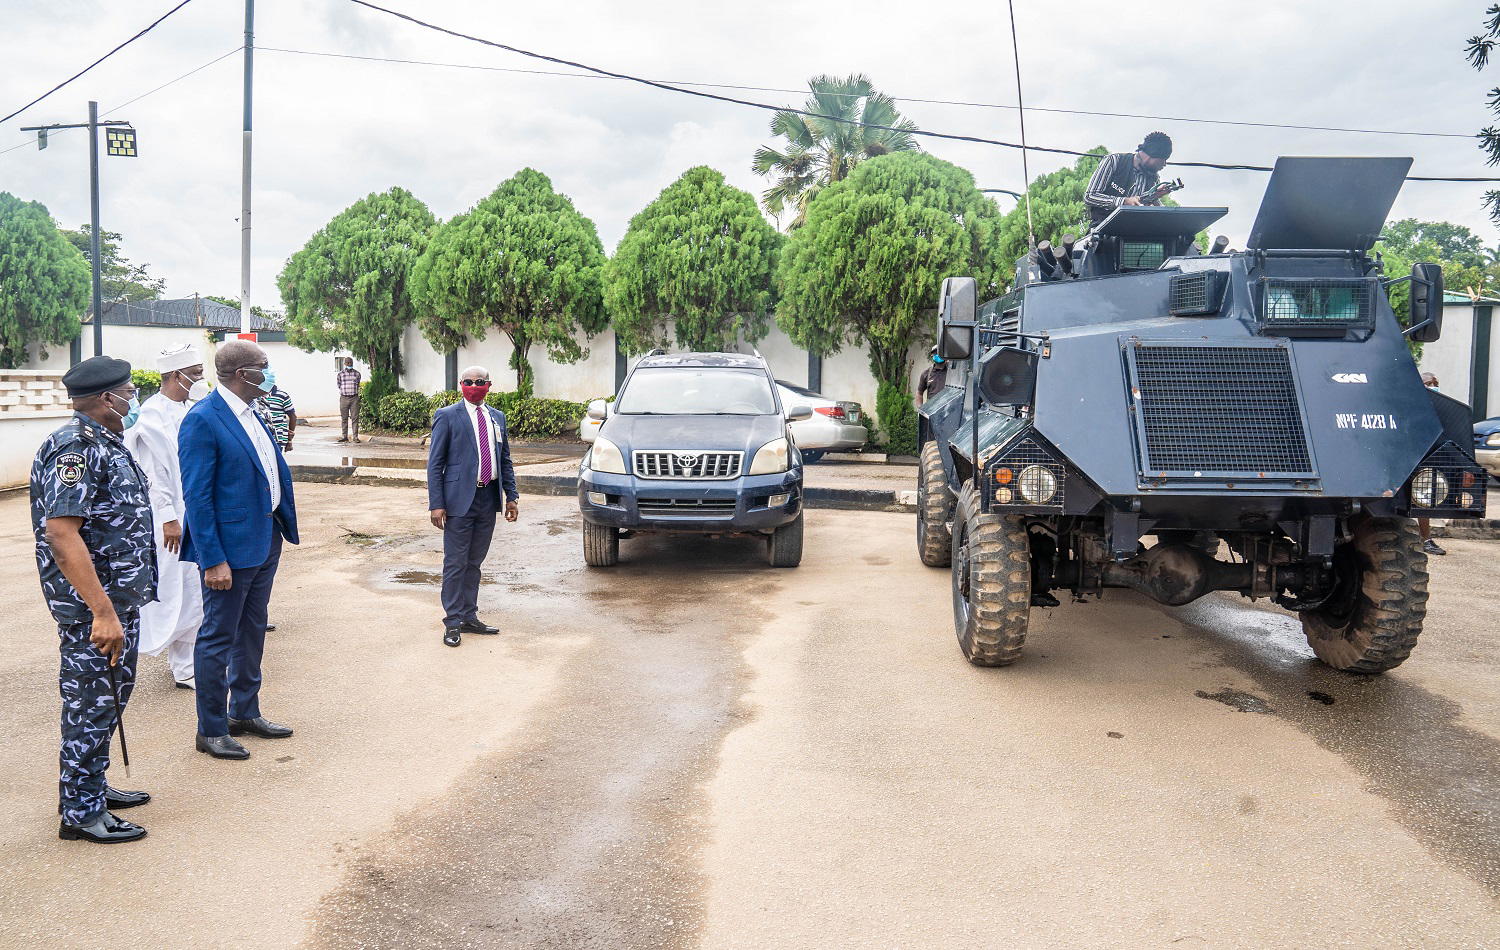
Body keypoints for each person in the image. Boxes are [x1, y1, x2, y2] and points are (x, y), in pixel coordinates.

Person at [30, 355, 157, 843]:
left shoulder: (107, 442)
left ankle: (93, 788)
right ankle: (81, 813)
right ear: (107, 398)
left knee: (110, 699)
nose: (132, 399)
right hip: (93, 608)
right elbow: (63, 535)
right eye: (128, 392)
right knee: (90, 704)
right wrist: (101, 612)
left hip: (117, 602)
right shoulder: (75, 449)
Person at [179, 340, 299, 760]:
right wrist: (212, 559)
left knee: (251, 630)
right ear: (241, 373)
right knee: (217, 636)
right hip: (227, 552)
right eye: (263, 366)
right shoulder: (203, 419)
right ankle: (211, 729)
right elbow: (197, 496)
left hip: (265, 538)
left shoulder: (254, 412)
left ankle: (244, 711)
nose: (269, 373)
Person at [124, 343, 209, 690]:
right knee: (179, 588)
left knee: (198, 589)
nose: (201, 378)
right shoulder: (151, 415)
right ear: (177, 375)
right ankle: (184, 667)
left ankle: (193, 659)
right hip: (172, 520)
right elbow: (152, 474)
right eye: (197, 372)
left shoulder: (192, 408)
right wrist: (168, 518)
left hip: (196, 511)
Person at [426, 366, 519, 648]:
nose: (474, 386)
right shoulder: (447, 416)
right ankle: (452, 622)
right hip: (457, 501)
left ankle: (469, 616)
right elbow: (435, 464)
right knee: (455, 563)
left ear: (489, 385)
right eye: (469, 382)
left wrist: (511, 496)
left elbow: (504, 460)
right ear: (461, 384)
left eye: (480, 382)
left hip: (487, 499)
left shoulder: (497, 417)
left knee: (474, 563)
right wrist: (437, 503)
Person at [1084, 131, 1175, 227]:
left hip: (1133, 230)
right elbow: (1090, 196)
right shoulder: (1114, 161)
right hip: (1103, 229)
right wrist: (1124, 201)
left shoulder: (1153, 177)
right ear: (1151, 155)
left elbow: (1144, 203)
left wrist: (1156, 197)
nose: (1165, 164)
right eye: (1164, 159)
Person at [1418, 372, 1447, 556]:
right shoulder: (1413, 402)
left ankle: (1425, 540)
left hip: (1428, 458)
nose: (1433, 385)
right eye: (1429, 383)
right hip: (1411, 457)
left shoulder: (1440, 404)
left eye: (1435, 382)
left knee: (1423, 500)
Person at [257, 382, 297, 452]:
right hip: (260, 436)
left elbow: (293, 417)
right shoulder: (254, 394)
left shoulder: (282, 395)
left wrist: (289, 441)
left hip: (278, 438)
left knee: (275, 460)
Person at [336, 357, 361, 444]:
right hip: (344, 398)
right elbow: (339, 385)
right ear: (345, 364)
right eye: (348, 362)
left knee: (355, 418)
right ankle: (344, 437)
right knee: (344, 418)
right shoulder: (340, 374)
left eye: (351, 362)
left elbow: (357, 384)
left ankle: (355, 437)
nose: (349, 364)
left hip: (354, 398)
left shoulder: (357, 374)